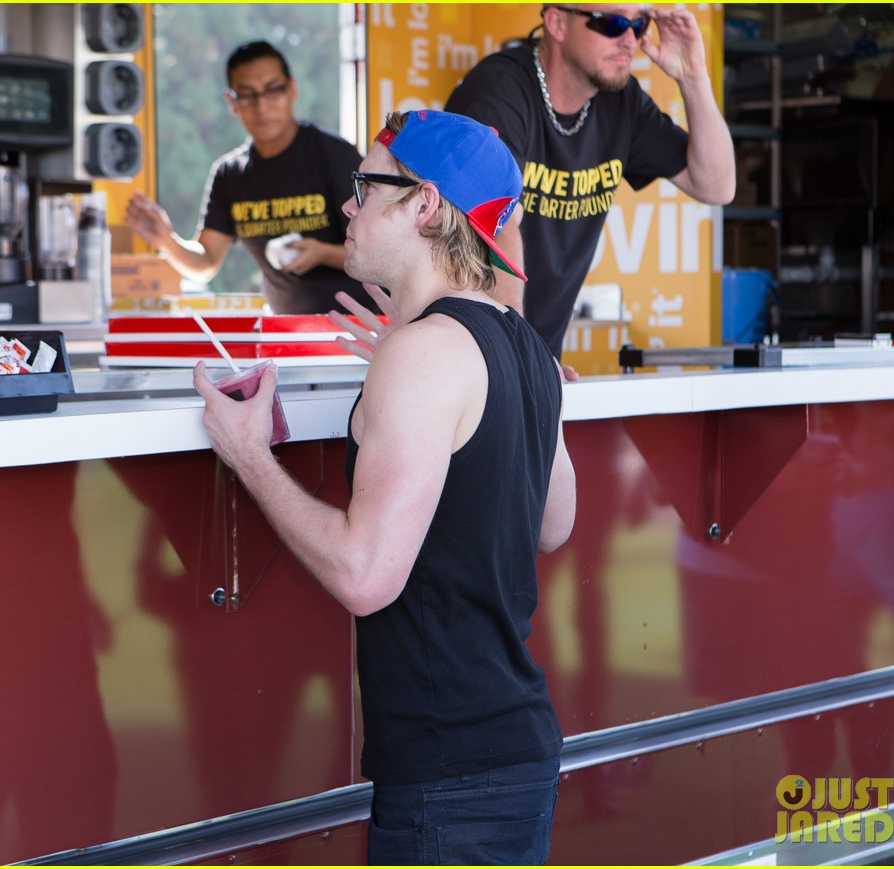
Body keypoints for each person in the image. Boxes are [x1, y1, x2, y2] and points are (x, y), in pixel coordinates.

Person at [193, 109, 577, 865]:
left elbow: (366, 574)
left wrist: (250, 456)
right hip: (517, 752)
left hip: (449, 777)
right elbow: (553, 523)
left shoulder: (426, 355)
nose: (347, 206)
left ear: (425, 204)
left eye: (366, 186)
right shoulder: (521, 345)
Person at [432, 4, 736, 362]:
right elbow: (496, 220)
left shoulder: (622, 102)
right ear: (557, 23)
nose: (629, 41)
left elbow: (716, 185)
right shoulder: (500, 89)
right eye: (612, 24)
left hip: (526, 355)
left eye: (639, 26)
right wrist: (519, 359)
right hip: (461, 352)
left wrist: (693, 76)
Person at [125, 40, 375, 314]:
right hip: (286, 335)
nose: (262, 106)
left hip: (360, 328)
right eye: (247, 95)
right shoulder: (230, 174)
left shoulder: (333, 154)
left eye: (273, 90)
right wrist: (166, 240)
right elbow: (206, 263)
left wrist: (321, 252)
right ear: (232, 102)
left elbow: (376, 253)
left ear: (292, 90)